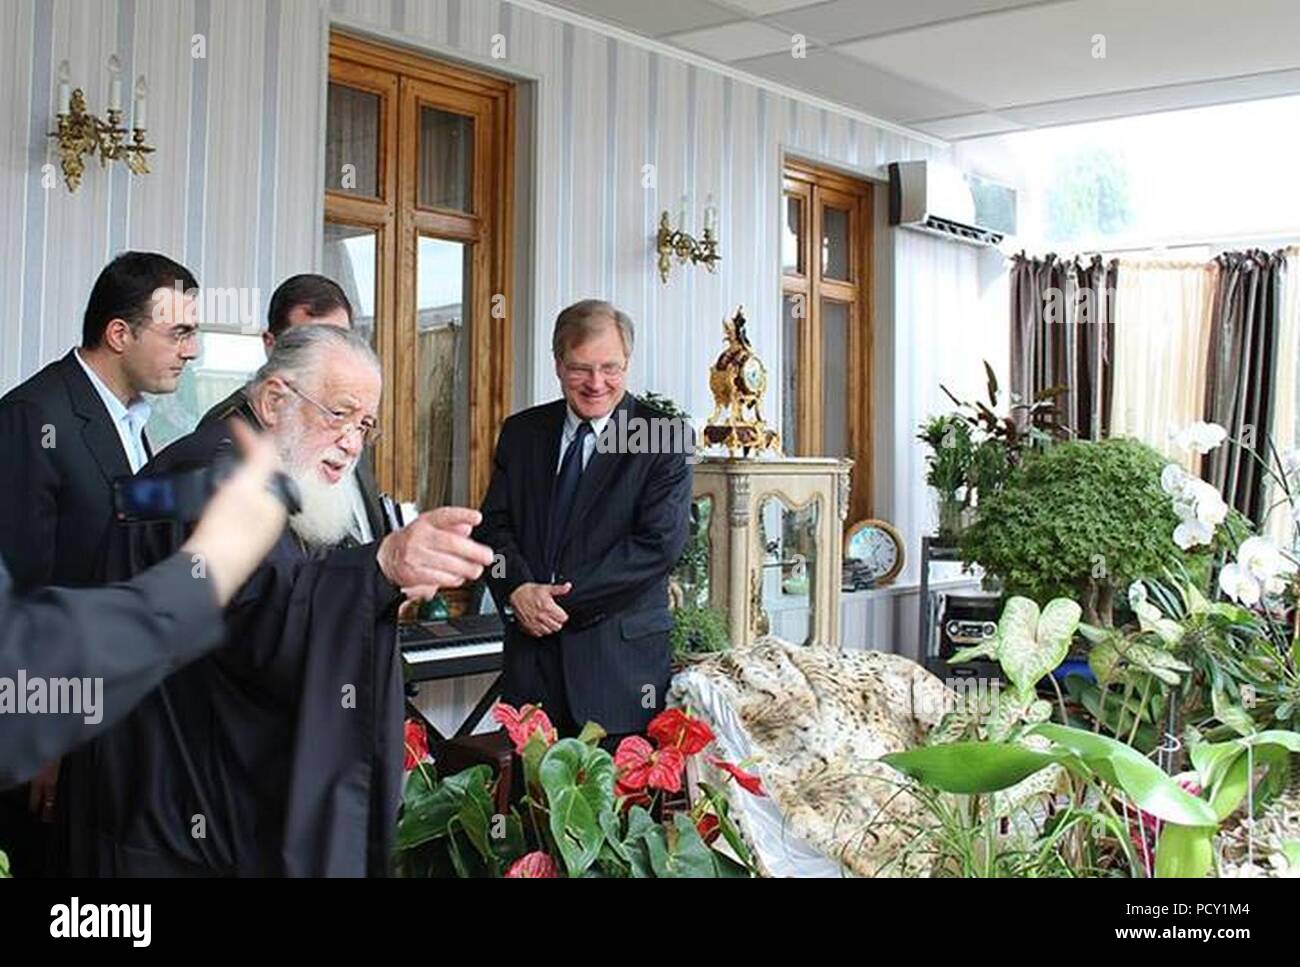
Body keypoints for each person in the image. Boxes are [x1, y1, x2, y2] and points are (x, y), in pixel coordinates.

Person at [69, 324, 494, 876]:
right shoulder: (209, 477)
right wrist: (379, 569)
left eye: (365, 424)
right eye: (338, 413)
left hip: (193, 796)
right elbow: (264, 617)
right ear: (274, 400)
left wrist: (376, 580)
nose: (352, 442)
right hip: (169, 811)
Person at [0, 250, 200, 875]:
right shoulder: (33, 418)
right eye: (179, 333)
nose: (190, 351)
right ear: (120, 333)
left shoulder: (132, 420)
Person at [0, 421, 289, 789]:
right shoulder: (33, 416)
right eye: (339, 412)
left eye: (365, 424)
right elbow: (16, 690)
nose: (189, 358)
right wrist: (211, 568)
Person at [475, 300, 692, 747]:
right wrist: (516, 589)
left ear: (627, 363)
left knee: (617, 815)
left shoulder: (662, 436)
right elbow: (492, 528)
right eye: (580, 369)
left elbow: (658, 546)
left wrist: (551, 603)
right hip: (531, 674)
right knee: (526, 812)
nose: (596, 383)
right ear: (557, 365)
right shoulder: (522, 432)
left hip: (620, 677)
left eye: (610, 367)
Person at [199, 273, 385, 544]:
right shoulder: (228, 432)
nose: (352, 445)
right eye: (310, 344)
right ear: (271, 345)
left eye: (342, 342)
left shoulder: (350, 426)